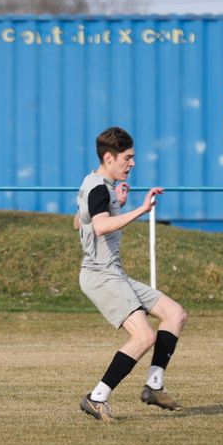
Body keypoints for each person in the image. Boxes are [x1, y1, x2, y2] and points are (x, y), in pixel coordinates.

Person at [76, 126, 188, 422]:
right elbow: (100, 227)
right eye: (128, 157)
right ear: (109, 158)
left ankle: (154, 386)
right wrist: (140, 209)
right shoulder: (99, 188)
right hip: (100, 275)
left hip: (112, 272)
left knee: (175, 314)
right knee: (144, 336)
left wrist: (117, 206)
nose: (132, 163)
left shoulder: (95, 184)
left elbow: (79, 222)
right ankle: (96, 397)